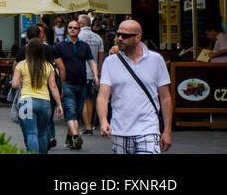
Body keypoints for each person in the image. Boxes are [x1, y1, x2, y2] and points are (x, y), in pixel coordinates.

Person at [96, 19, 172, 155]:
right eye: (118, 34)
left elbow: (165, 98)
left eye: (125, 36)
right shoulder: (110, 62)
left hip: (148, 129)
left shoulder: (156, 60)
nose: (120, 38)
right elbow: (102, 96)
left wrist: (167, 130)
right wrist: (103, 120)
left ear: (138, 37)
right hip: (119, 130)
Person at [10, 38, 64, 154]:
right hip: (44, 102)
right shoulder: (48, 66)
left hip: (26, 101)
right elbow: (53, 86)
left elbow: (14, 85)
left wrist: (23, 82)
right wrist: (59, 104)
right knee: (43, 133)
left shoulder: (21, 65)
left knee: (31, 132)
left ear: (28, 51)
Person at [56, 18, 98, 150]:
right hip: (67, 83)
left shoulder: (84, 46)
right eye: (70, 27)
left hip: (82, 83)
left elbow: (91, 61)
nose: (72, 29)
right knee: (71, 111)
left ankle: (69, 139)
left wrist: (96, 76)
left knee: (77, 112)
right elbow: (56, 66)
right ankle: (76, 137)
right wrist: (60, 81)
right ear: (67, 30)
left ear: (79, 30)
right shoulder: (59, 46)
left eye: (75, 28)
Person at [77, 15, 105, 134]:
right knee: (90, 100)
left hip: (81, 72)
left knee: (83, 100)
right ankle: (90, 126)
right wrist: (99, 72)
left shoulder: (78, 36)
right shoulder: (97, 37)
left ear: (82, 24)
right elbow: (101, 56)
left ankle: (88, 126)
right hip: (93, 73)